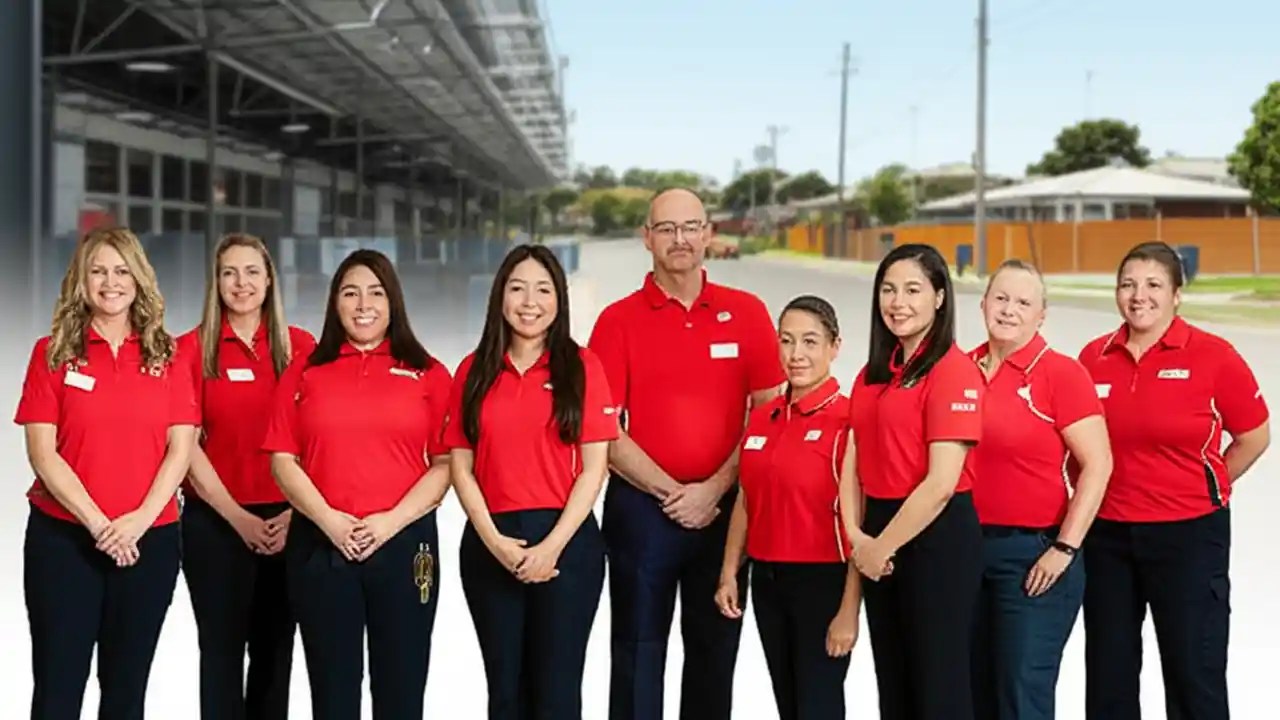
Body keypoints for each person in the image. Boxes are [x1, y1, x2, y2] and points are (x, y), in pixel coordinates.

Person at [588, 187, 786, 720]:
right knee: (636, 652)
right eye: (667, 228)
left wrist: (714, 489)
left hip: (725, 513)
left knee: (714, 655)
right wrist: (673, 493)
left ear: (708, 234)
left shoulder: (747, 313)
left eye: (691, 227)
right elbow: (604, 429)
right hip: (642, 511)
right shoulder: (617, 321)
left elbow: (770, 417)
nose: (680, 239)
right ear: (646, 238)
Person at [1077, 241, 1270, 720]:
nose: (1138, 296)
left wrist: (1207, 484)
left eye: (1153, 285)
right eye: (1128, 284)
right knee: (1109, 676)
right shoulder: (1093, 357)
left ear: (1176, 294)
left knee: (1193, 673)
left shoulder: (1214, 356)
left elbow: (1254, 436)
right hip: (1107, 537)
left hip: (1189, 536)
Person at [16, 227, 199, 720]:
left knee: (125, 694)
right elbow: (43, 453)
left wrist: (137, 522)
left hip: (149, 542)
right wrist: (100, 525)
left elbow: (180, 449)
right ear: (81, 280)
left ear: (139, 280)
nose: (110, 282)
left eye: (121, 271)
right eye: (98, 271)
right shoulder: (52, 352)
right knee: (57, 692)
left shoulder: (169, 356)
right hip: (64, 542)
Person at [262, 249, 453, 720]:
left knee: (402, 693)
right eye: (351, 293)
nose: (363, 304)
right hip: (321, 544)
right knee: (332, 695)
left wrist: (389, 523)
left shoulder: (428, 373)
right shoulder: (305, 370)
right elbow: (283, 460)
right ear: (335, 303)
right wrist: (329, 521)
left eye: (376, 293)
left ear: (393, 302)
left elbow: (446, 465)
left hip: (405, 544)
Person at [445, 244, 617, 719]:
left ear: (559, 299)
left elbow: (595, 468)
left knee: (556, 694)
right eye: (517, 288)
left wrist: (551, 548)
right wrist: (495, 542)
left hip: (567, 544)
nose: (529, 302)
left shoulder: (582, 366)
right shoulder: (473, 370)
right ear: (499, 296)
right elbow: (461, 466)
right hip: (491, 541)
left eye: (543, 290)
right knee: (505, 693)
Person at [175, 233, 316, 720]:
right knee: (220, 651)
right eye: (229, 273)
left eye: (252, 271)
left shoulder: (301, 347)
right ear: (215, 282)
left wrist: (296, 512)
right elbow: (185, 446)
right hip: (215, 521)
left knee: (275, 653)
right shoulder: (190, 350)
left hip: (289, 521)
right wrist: (238, 518)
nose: (241, 283)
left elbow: (320, 437)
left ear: (269, 279)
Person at [965, 259, 1113, 720]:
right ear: (983, 304)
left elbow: (1098, 464)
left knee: (1021, 695)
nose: (1009, 310)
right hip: (964, 552)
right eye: (1001, 298)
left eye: (1023, 303)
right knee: (970, 692)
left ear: (1041, 315)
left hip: (1032, 557)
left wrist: (1064, 548)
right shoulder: (958, 370)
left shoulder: (1060, 374)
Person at [843, 242, 985, 720]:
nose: (897, 302)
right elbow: (854, 458)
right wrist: (857, 535)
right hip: (879, 530)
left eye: (912, 290)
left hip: (935, 535)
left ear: (939, 297)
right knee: (895, 684)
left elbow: (941, 483)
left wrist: (881, 546)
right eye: (888, 290)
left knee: (938, 689)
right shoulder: (872, 374)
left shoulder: (953, 371)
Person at [714, 295, 860, 720]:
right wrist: (729, 572)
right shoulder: (764, 417)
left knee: (818, 706)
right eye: (787, 340)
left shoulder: (848, 420)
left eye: (810, 342)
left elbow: (860, 523)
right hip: (768, 580)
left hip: (823, 583)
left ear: (834, 347)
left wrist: (849, 611)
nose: (797, 354)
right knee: (788, 703)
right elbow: (747, 499)